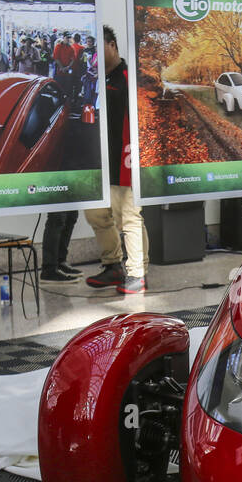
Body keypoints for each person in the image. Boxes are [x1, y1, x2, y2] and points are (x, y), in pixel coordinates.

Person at [86, 26, 148, 294]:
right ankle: (113, 266)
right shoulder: (93, 79)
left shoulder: (128, 78)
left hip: (126, 162)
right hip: (100, 163)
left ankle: (138, 273)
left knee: (130, 218)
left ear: (112, 45)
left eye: (99, 48)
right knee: (96, 215)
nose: (94, 55)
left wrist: (133, 159)